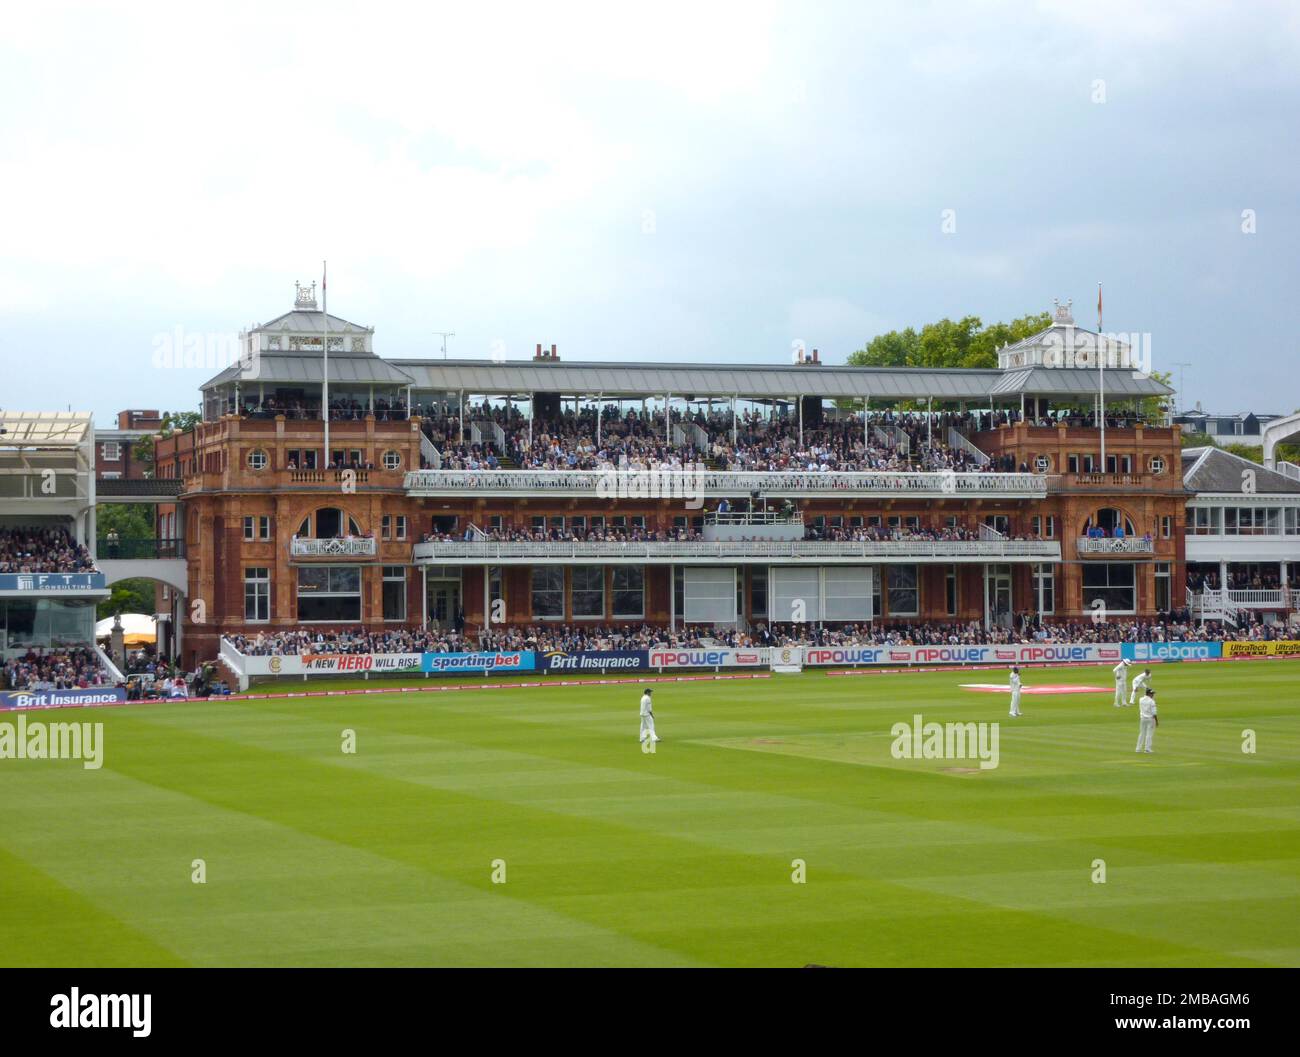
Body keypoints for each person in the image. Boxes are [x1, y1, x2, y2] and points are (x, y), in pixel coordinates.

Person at [1136, 687, 1158, 753]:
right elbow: (1154, 713)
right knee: (1149, 734)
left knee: (1142, 733)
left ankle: (1138, 748)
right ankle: (1147, 749)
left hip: (1142, 719)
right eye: (1152, 693)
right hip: (1150, 719)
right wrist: (1156, 721)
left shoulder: (1141, 699)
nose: (1153, 695)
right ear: (1149, 694)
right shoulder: (1152, 701)